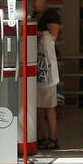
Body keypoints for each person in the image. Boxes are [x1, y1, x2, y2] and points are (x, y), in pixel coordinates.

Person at [36, 8, 62, 150]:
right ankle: (41, 137)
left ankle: (53, 137)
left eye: (35, 0)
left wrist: (36, 33)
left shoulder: (51, 14)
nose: (33, 4)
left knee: (50, 105)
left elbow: (53, 35)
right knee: (39, 106)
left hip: (48, 68)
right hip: (38, 67)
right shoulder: (36, 14)